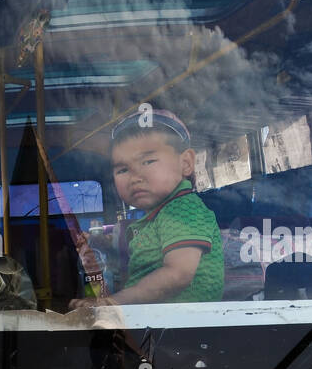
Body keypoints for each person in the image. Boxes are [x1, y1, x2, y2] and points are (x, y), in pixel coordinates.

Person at [69, 108, 223, 309]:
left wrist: (112, 303)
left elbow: (178, 274)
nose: (135, 176)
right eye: (123, 169)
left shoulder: (183, 208)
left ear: (185, 163)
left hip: (186, 327)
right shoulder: (157, 216)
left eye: (148, 161)